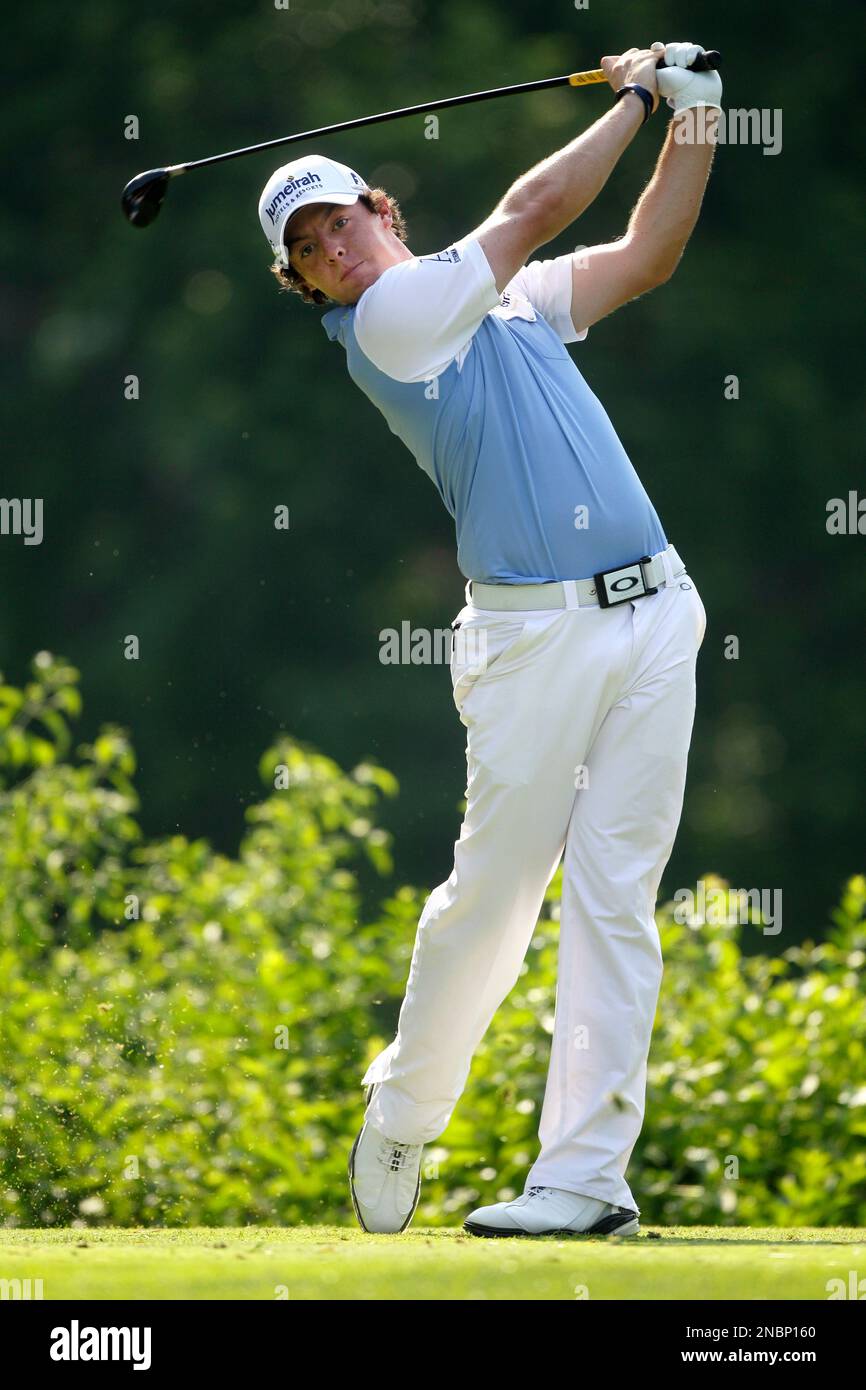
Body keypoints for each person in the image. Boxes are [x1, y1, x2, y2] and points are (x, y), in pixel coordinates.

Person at [258, 42, 722, 1238]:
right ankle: (405, 1109)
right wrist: (633, 91)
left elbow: (643, 254)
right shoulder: (390, 328)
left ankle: (580, 1182)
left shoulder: (503, 301)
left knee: (615, 901)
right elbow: (535, 205)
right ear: (308, 286)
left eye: (336, 220)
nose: (330, 250)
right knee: (496, 904)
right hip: (531, 646)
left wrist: (697, 114)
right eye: (306, 251)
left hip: (656, 612)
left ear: (380, 207)